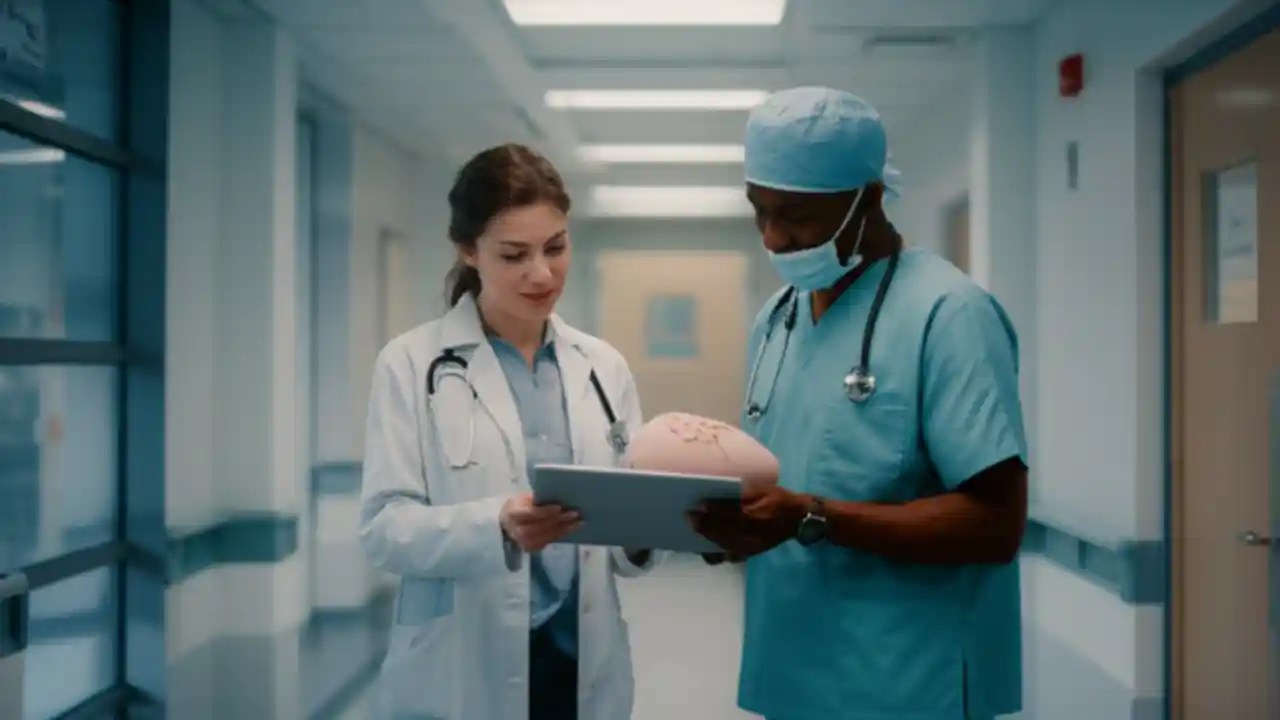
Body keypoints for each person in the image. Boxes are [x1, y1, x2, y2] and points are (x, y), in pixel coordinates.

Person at [690, 87, 1029, 720]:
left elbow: (996, 524)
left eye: (796, 214)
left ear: (868, 198)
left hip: (905, 682)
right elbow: (781, 485)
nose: (774, 236)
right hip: (788, 673)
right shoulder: (777, 319)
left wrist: (812, 517)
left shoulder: (949, 314)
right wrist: (729, 527)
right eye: (758, 209)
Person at [359, 143, 664, 720]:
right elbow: (384, 530)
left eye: (555, 247)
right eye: (513, 254)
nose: (542, 273)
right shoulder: (410, 364)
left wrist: (652, 525)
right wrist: (495, 523)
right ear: (468, 251)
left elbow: (626, 541)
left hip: (581, 660)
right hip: (461, 667)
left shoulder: (603, 367)